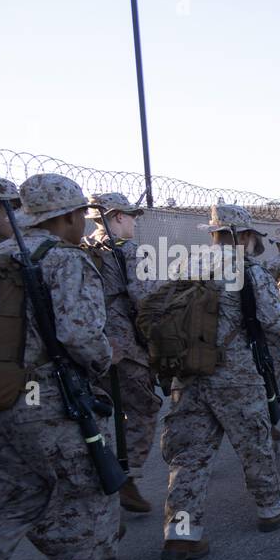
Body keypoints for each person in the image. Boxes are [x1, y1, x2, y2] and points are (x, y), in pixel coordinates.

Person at [0, 174, 140, 560]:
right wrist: (102, 360)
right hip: (51, 404)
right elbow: (79, 335)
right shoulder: (63, 260)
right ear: (70, 216)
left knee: (8, 504)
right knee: (89, 497)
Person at [160, 204, 280, 560]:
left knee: (188, 455)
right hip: (234, 374)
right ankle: (270, 507)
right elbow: (274, 317)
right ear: (245, 235)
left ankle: (182, 532)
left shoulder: (183, 265)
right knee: (254, 442)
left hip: (187, 373)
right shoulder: (248, 271)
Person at [83, 191, 160, 513]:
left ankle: (97, 488)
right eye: (130, 216)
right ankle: (124, 476)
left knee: (99, 415)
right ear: (116, 217)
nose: (133, 223)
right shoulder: (131, 251)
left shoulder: (79, 249)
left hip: (87, 344)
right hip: (125, 346)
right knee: (144, 408)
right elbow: (146, 300)